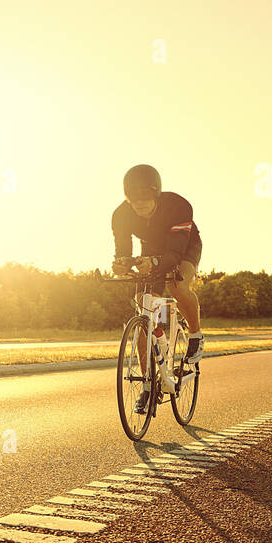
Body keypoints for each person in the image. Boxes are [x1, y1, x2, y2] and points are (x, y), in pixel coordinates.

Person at [111, 164, 204, 414]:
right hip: (151, 249)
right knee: (143, 307)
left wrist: (154, 263)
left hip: (184, 247)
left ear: (157, 195)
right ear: (127, 198)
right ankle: (149, 385)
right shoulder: (120, 215)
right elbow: (123, 250)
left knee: (177, 284)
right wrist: (122, 264)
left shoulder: (178, 206)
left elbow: (174, 252)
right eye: (134, 198)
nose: (140, 203)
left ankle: (196, 335)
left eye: (145, 197)